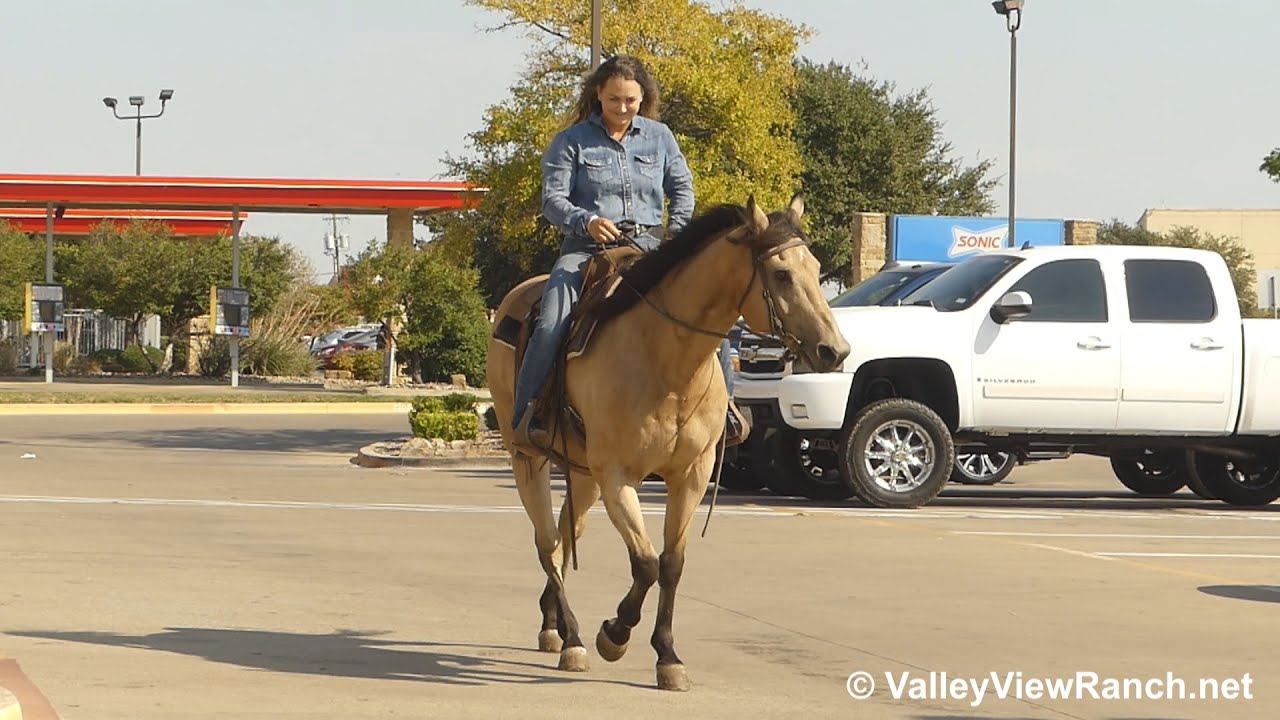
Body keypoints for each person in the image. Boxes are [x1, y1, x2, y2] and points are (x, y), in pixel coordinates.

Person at [511, 54, 745, 452]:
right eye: (614, 99)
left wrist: (679, 234)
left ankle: (726, 408)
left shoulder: (660, 136)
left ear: (643, 99)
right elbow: (552, 199)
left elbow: (682, 189)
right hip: (587, 249)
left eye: (631, 101)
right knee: (552, 318)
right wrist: (585, 221)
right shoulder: (571, 142)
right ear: (598, 94)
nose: (622, 108)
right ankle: (530, 413)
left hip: (652, 246)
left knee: (711, 318)